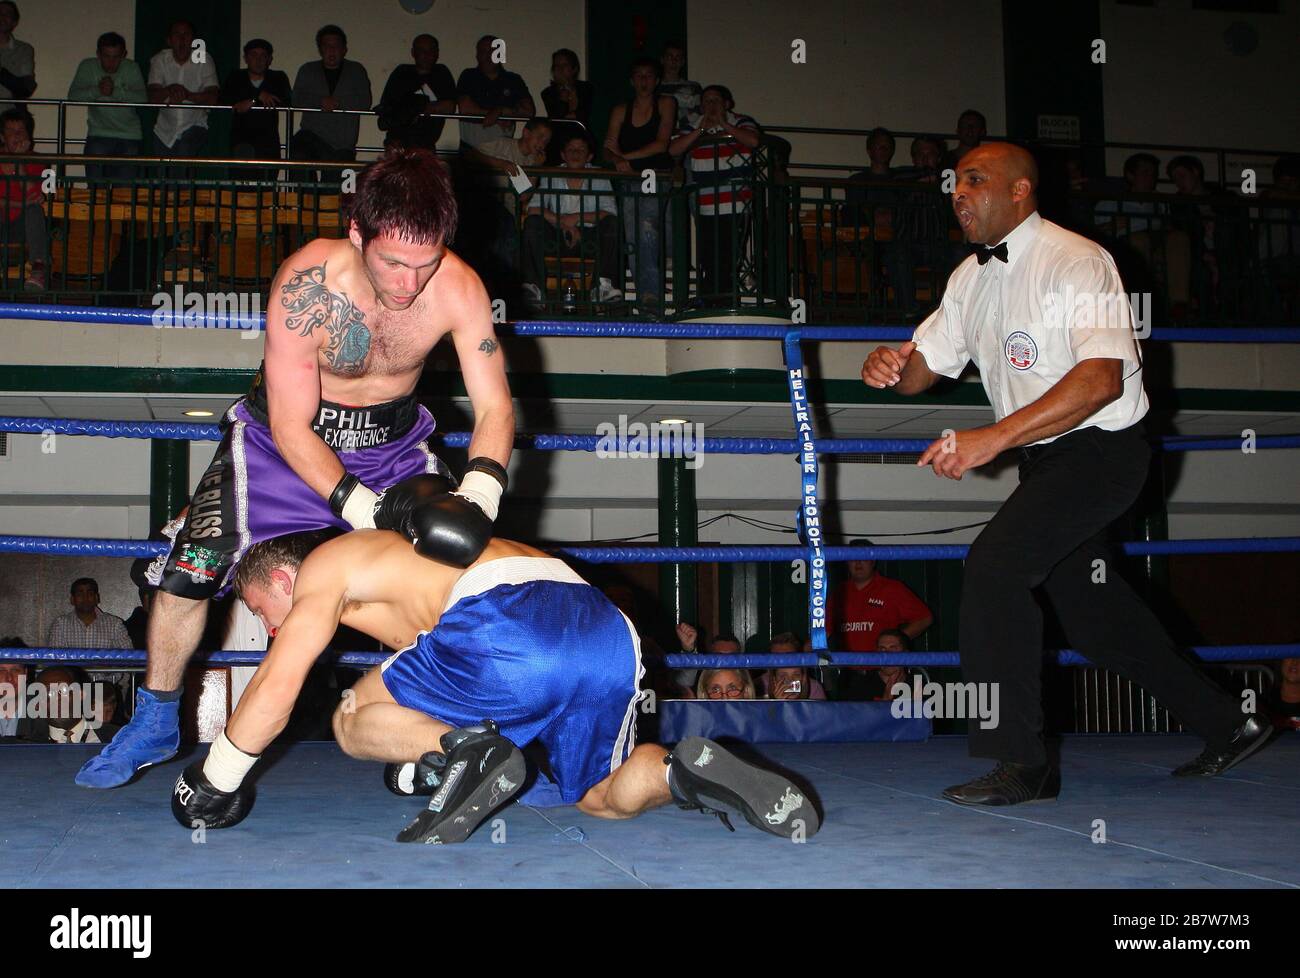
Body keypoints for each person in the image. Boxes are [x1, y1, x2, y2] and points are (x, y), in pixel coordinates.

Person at [77, 148, 516, 789]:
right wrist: (359, 506)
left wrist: (480, 489)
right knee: (187, 574)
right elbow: (288, 425)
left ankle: (444, 729)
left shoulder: (459, 288)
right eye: (393, 262)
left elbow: (496, 405)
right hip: (281, 446)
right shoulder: (305, 285)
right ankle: (155, 717)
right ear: (357, 232)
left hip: (393, 446)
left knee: (453, 570)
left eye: (425, 264)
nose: (408, 283)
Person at [860, 142, 1272, 805]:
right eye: (954, 182)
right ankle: (1231, 721)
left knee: (994, 566)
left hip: (1105, 450)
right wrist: (888, 365)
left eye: (973, 180)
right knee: (1096, 618)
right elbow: (921, 368)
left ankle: (1021, 762)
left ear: (1020, 191)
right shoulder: (970, 277)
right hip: (1048, 459)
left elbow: (1101, 380)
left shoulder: (1076, 261)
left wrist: (991, 438)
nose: (956, 191)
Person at [170, 528, 820, 844]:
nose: (265, 623)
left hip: (503, 617)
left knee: (348, 716)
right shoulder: (396, 579)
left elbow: (281, 682)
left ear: (281, 581)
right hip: (603, 629)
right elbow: (479, 688)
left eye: (259, 609)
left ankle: (461, 750)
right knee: (597, 796)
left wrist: (214, 777)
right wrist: (414, 764)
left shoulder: (323, 566)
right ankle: (688, 773)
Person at [669, 84, 761, 303]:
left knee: (728, 255)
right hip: (706, 203)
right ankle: (710, 300)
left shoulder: (740, 120)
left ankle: (723, 301)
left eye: (716, 100)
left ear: (727, 104)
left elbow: (754, 141)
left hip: (736, 202)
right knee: (708, 256)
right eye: (706, 101)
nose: (711, 105)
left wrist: (723, 124)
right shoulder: (692, 124)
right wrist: (701, 130)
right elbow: (674, 149)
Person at [604, 58, 676, 313]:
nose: (644, 80)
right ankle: (646, 291)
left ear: (656, 80)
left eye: (649, 75)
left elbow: (661, 143)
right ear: (632, 80)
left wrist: (625, 158)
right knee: (634, 236)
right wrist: (616, 159)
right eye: (639, 75)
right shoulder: (621, 109)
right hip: (629, 178)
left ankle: (650, 295)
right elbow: (608, 145)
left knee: (647, 229)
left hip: (655, 174)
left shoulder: (666, 103)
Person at [522, 132, 621, 305]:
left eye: (581, 150)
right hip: (557, 234)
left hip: (589, 235)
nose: (575, 154)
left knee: (611, 225)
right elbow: (534, 208)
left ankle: (603, 287)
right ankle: (533, 287)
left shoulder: (600, 175)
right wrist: (562, 221)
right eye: (571, 150)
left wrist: (576, 218)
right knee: (532, 223)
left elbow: (610, 212)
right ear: (563, 155)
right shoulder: (552, 174)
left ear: (589, 156)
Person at [290, 25, 372, 176]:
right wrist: (320, 102)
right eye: (327, 46)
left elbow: (365, 102)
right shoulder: (308, 70)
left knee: (335, 193)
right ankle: (303, 198)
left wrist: (338, 103)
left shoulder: (356, 70)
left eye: (336, 46)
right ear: (320, 49)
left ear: (344, 49)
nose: (332, 50)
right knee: (298, 151)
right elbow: (295, 99)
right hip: (311, 136)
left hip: (343, 144)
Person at [68, 32, 146, 181]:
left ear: (123, 55)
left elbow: (142, 98)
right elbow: (73, 96)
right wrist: (98, 90)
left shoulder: (131, 68)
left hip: (129, 135)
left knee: (126, 192)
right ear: (98, 54)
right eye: (106, 56)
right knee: (96, 191)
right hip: (98, 133)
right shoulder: (88, 66)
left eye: (116, 57)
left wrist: (113, 92)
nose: (111, 62)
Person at [146, 20, 220, 159]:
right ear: (169, 40)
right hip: (164, 129)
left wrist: (187, 95)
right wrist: (170, 90)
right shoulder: (160, 60)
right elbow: (152, 97)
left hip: (195, 125)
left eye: (186, 34)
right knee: (162, 176)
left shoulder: (204, 59)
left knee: (183, 158)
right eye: (177, 34)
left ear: (193, 40)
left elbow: (213, 98)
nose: (182, 38)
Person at [376, 34, 457, 152]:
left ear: (437, 53)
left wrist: (417, 108)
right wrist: (425, 108)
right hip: (397, 143)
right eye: (421, 50)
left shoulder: (441, 73)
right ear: (413, 52)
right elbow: (387, 108)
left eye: (431, 50)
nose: (426, 54)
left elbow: (450, 107)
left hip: (425, 146)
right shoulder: (402, 72)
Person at [456, 34, 534, 152]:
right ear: (477, 55)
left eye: (492, 51)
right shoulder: (469, 75)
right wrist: (497, 114)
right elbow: (465, 108)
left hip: (503, 153)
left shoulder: (513, 79)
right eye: (483, 51)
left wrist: (501, 111)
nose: (488, 56)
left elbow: (529, 111)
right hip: (472, 151)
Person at [221, 38, 291, 168]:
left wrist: (253, 99)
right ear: (245, 58)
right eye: (253, 55)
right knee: (241, 182)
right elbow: (224, 98)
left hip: (268, 141)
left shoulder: (277, 77)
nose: (258, 60)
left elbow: (286, 100)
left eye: (263, 56)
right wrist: (258, 96)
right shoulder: (236, 77)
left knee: (268, 184)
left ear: (269, 60)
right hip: (241, 140)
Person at [0, 107, 46, 290]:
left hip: (23, 226)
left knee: (34, 211)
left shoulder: (43, 161)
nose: (17, 136)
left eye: (21, 131)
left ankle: (39, 269)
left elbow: (41, 198)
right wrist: (23, 203)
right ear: (2, 137)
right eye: (11, 131)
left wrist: (19, 165)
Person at [539, 48, 593, 166]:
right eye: (556, 66)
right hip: (557, 143)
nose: (560, 69)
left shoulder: (586, 89)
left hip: (581, 141)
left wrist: (572, 98)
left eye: (564, 65)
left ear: (574, 68)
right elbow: (559, 118)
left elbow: (584, 113)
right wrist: (563, 100)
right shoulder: (548, 93)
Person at [46, 577, 132, 650]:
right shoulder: (60, 624)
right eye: (80, 594)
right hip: (70, 671)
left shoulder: (115, 624)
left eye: (90, 594)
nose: (85, 598)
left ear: (96, 598)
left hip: (105, 670)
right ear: (72, 599)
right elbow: (55, 662)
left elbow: (128, 661)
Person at [657, 40, 701, 132]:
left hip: (688, 134)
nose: (674, 61)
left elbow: (698, 113)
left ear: (682, 62)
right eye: (670, 57)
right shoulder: (654, 87)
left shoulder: (694, 87)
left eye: (678, 57)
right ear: (662, 60)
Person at [0, 1, 35, 115]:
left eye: (7, 14)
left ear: (15, 22)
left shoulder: (23, 49)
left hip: (10, 117)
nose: (2, 17)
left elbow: (24, 88)